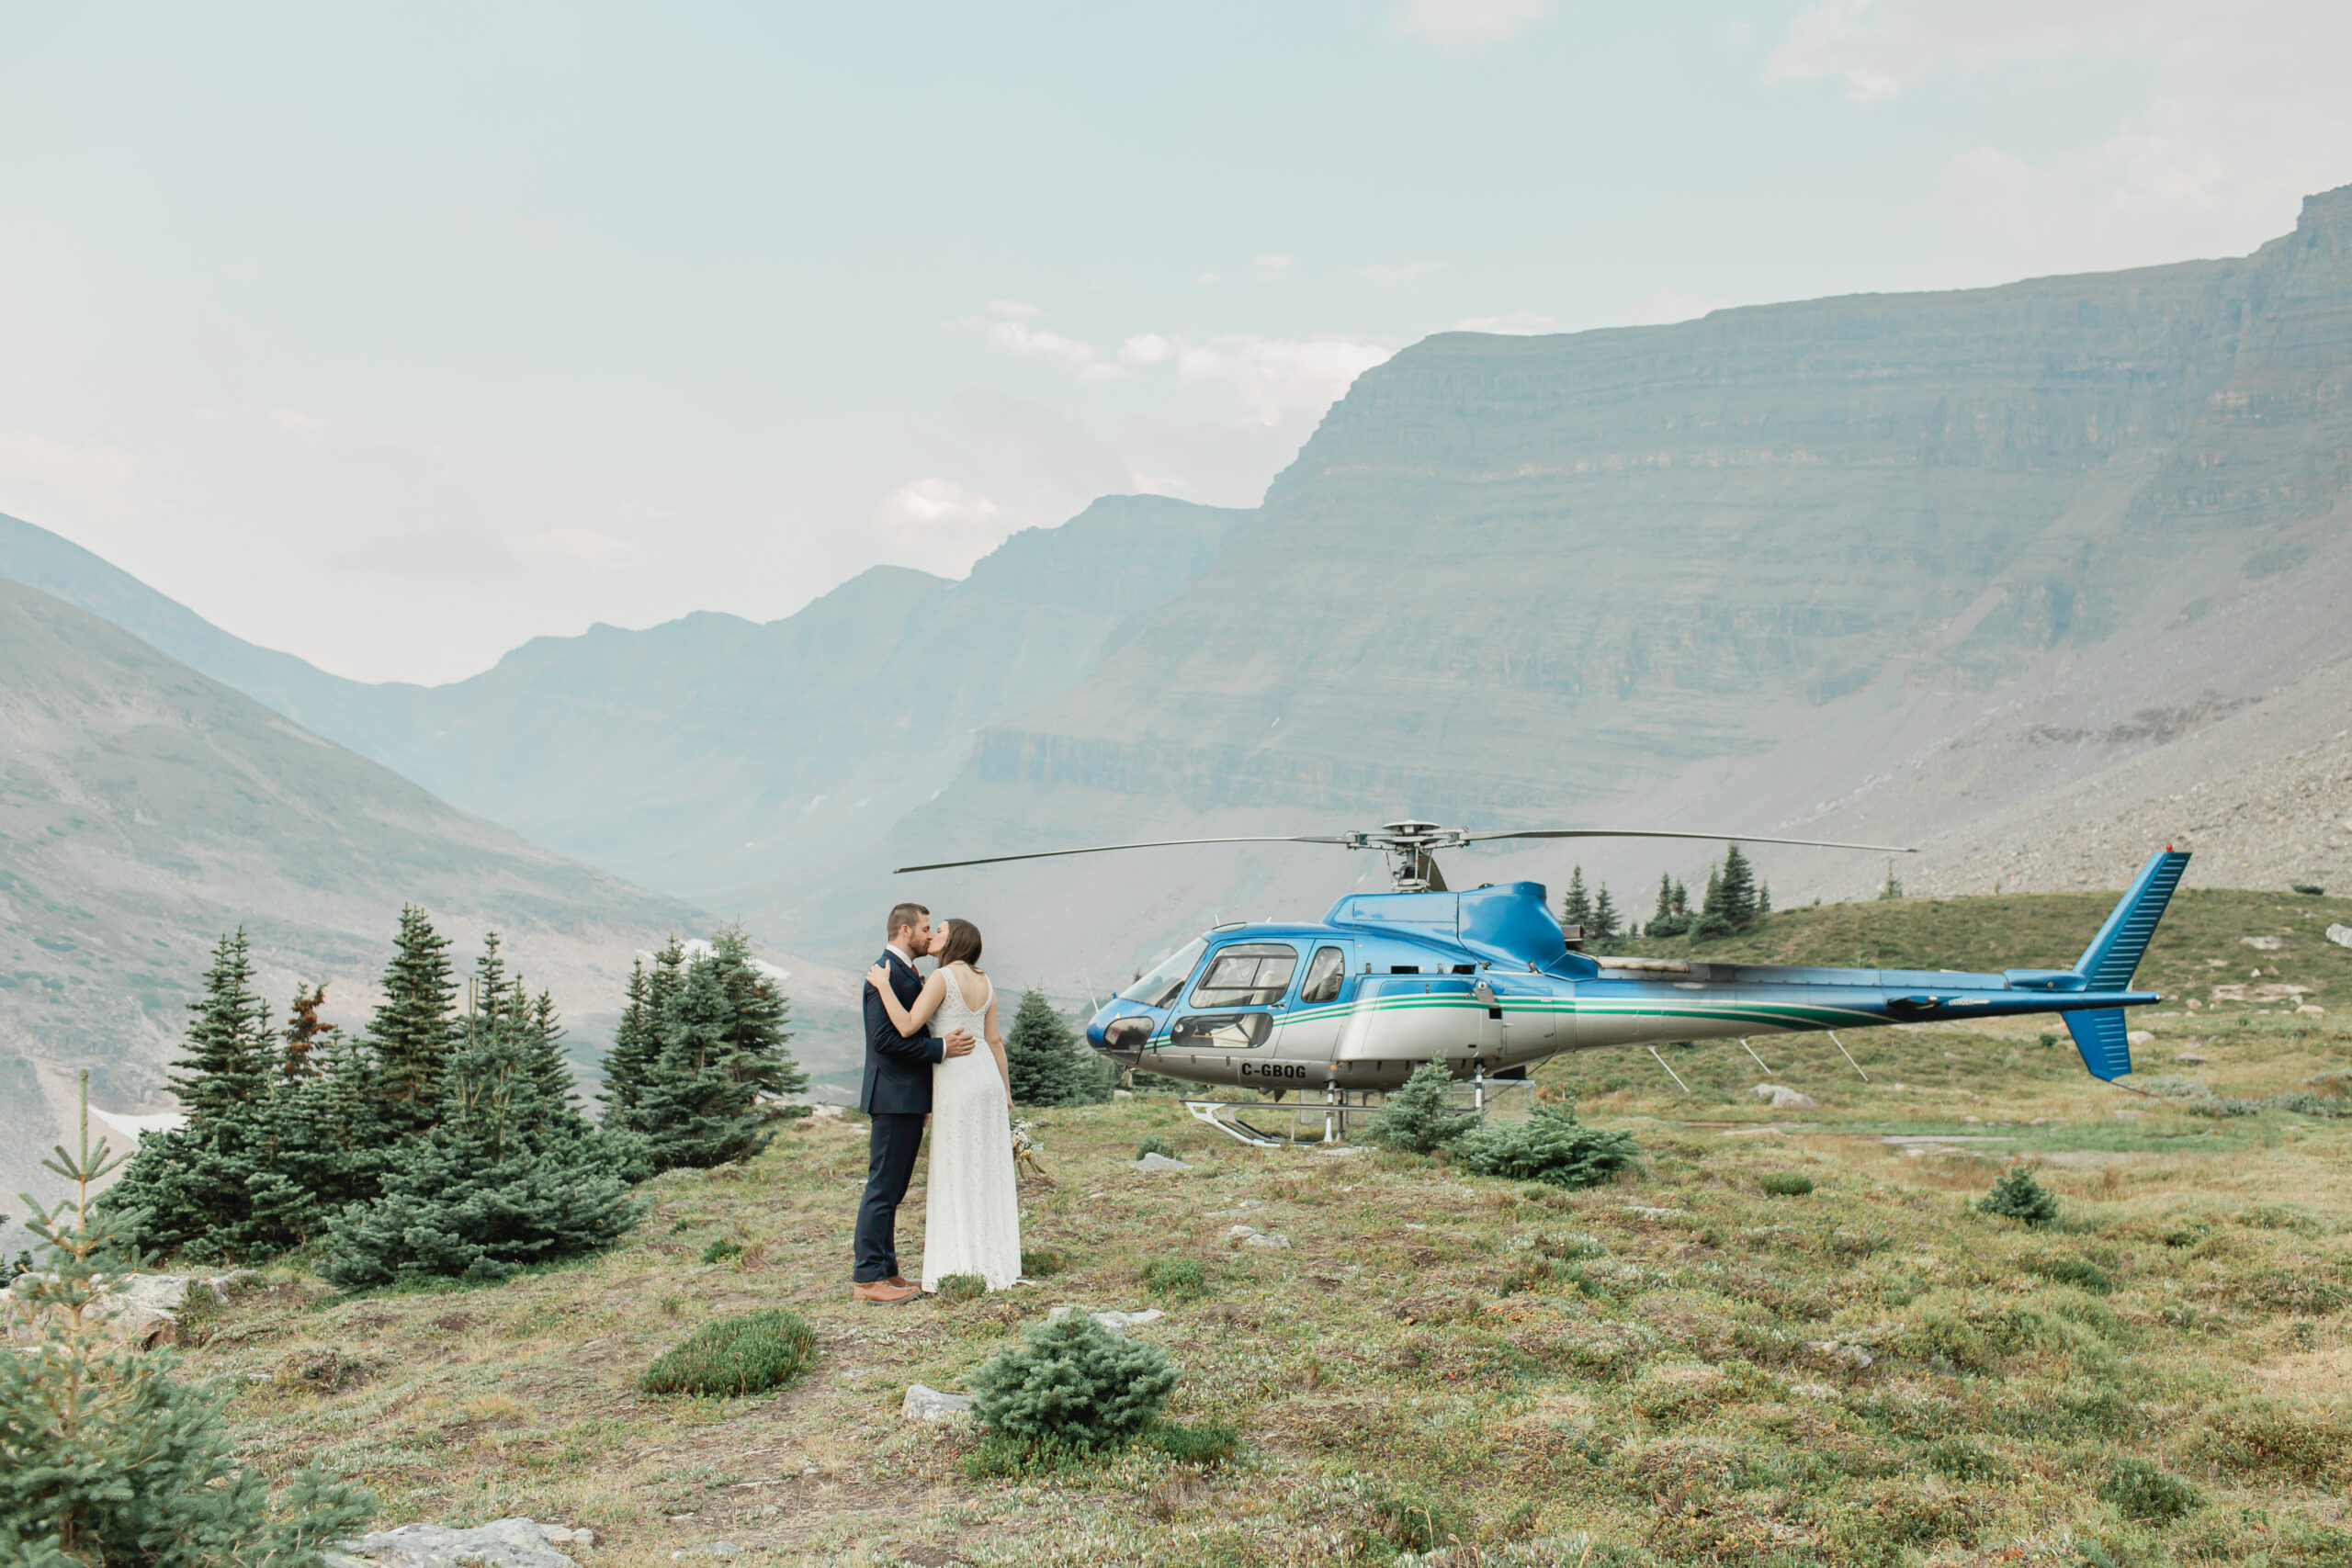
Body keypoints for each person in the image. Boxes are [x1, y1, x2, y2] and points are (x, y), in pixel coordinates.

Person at [866, 917, 1022, 1292]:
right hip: (986, 1077)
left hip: (957, 1077)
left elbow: (905, 1026)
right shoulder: (985, 981)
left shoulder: (940, 978)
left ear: (955, 941)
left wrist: (884, 986)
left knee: (956, 1166)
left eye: (941, 931)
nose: (934, 935)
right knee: (985, 1166)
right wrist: (1006, 1091)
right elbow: (996, 1041)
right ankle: (991, 1259)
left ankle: (959, 1262)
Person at [852, 901, 976, 1304]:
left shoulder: (905, 973)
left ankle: (887, 1271)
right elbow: (885, 1041)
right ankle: (868, 1280)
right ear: (905, 931)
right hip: (891, 1096)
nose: (929, 935)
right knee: (881, 1189)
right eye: (925, 928)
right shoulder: (884, 973)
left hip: (906, 1098)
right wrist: (940, 1047)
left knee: (894, 1190)